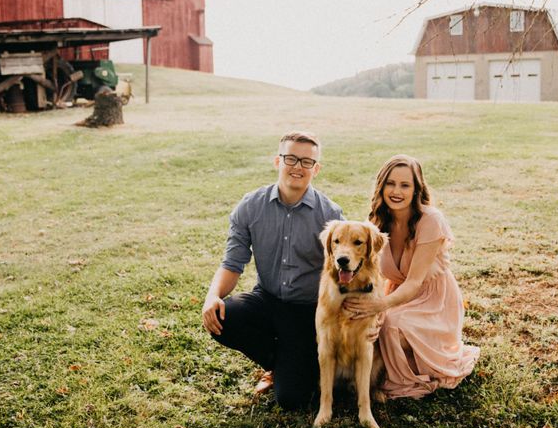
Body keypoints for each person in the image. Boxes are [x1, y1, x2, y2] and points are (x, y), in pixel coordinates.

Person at [201, 131, 343, 409]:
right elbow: (232, 263)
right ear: (278, 161)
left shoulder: (331, 216)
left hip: (307, 311)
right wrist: (212, 296)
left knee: (292, 399)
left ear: (316, 168)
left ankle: (292, 363)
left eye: (306, 161)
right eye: (291, 158)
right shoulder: (250, 206)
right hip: (266, 298)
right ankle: (278, 360)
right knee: (223, 316)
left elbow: (344, 273)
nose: (298, 167)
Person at [343, 155, 479, 399]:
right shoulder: (375, 221)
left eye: (405, 185)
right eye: (391, 183)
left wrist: (380, 308)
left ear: (417, 189)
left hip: (433, 298)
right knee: (369, 324)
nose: (396, 191)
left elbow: (415, 282)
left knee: (392, 325)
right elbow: (369, 273)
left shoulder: (431, 220)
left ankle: (408, 374)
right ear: (381, 186)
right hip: (396, 293)